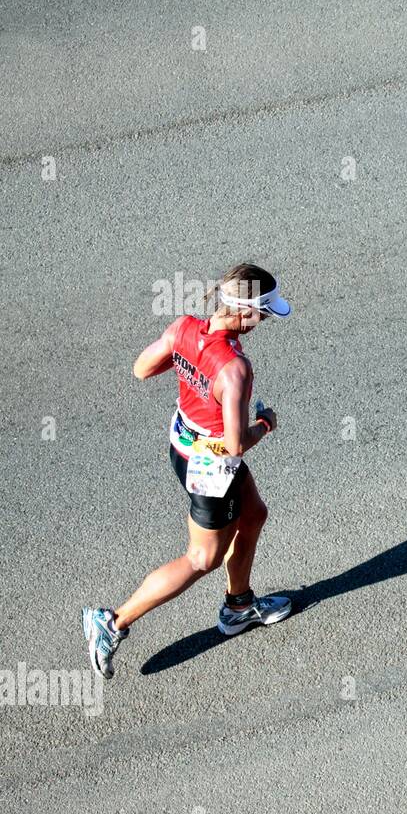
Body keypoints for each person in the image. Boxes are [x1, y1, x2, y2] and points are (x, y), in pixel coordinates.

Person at [82, 263, 294, 678]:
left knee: (253, 514)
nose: (264, 322)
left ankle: (238, 606)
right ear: (245, 310)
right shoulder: (235, 369)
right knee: (202, 558)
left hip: (182, 448)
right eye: (263, 314)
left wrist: (187, 364)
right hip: (213, 468)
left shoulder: (183, 327)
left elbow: (142, 368)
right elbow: (235, 443)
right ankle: (112, 623)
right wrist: (266, 423)